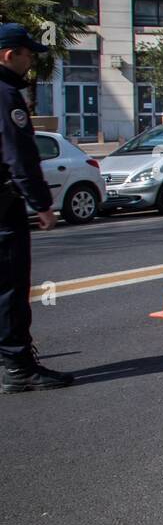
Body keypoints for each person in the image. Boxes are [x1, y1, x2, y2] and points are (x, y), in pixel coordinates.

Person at [0, 23, 74, 393]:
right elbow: (19, 156)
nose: (31, 61)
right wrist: (41, 204)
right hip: (3, 208)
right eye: (28, 54)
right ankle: (18, 368)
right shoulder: (6, 94)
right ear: (8, 54)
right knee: (10, 287)